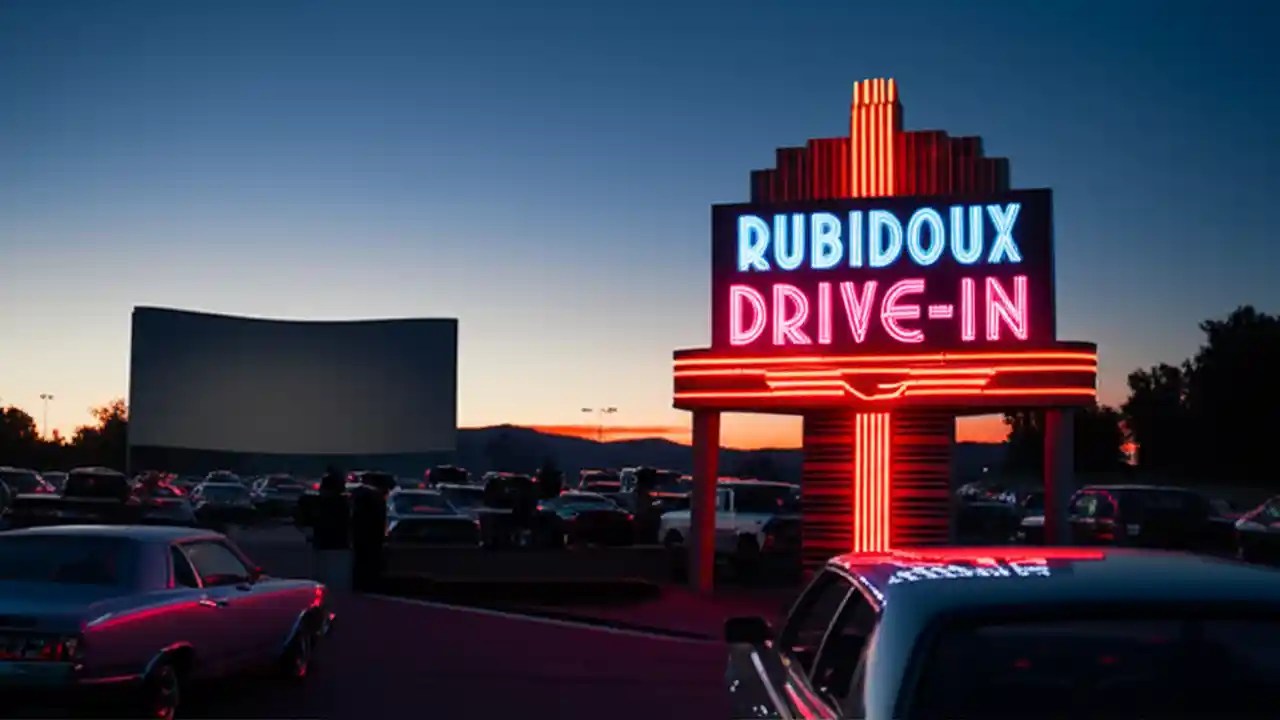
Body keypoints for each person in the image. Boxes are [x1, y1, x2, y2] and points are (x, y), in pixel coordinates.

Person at [310, 468, 352, 591]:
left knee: (323, 572)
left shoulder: (321, 503)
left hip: (325, 542)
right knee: (337, 574)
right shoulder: (342, 503)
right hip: (338, 542)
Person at [350, 479, 388, 592]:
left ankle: (362, 584)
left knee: (361, 561)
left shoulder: (363, 504)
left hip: (363, 538)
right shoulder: (377, 501)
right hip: (373, 539)